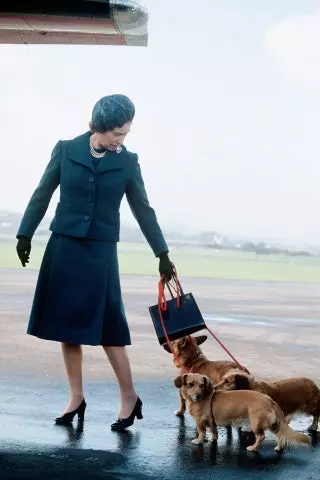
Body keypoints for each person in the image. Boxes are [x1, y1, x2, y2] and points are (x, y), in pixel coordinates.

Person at [16, 94, 174, 431]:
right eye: (117, 133)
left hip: (100, 251)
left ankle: (129, 396)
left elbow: (142, 209)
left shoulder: (128, 162)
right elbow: (42, 192)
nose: (121, 140)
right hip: (64, 246)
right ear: (98, 127)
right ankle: (76, 397)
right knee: (66, 326)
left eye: (125, 134)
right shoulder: (66, 149)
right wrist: (24, 233)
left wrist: (162, 253)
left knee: (109, 328)